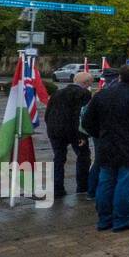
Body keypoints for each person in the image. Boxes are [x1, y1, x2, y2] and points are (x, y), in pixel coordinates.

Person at [83, 64, 129, 232]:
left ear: (120, 77)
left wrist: (101, 135)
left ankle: (104, 220)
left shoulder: (102, 95)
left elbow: (87, 121)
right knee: (124, 184)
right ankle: (121, 219)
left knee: (106, 183)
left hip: (107, 146)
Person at [44, 70, 92, 198]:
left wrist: (50, 127)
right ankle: (82, 186)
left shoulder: (57, 93)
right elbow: (81, 116)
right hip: (73, 131)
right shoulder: (84, 94)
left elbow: (48, 113)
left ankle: (57, 189)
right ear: (85, 82)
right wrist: (82, 135)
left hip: (55, 130)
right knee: (83, 156)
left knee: (58, 158)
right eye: (89, 83)